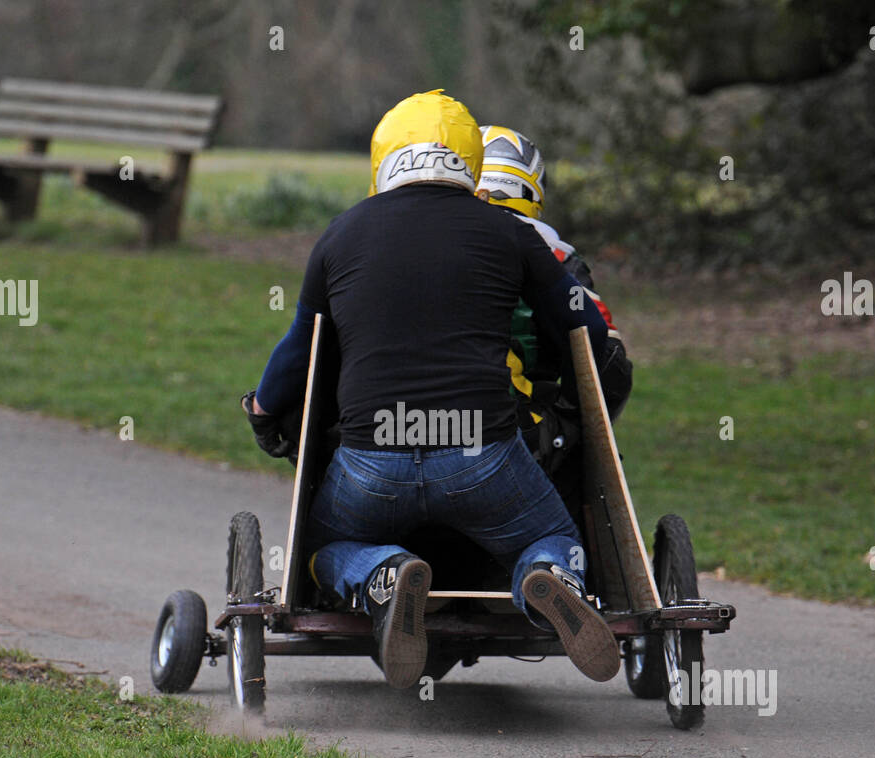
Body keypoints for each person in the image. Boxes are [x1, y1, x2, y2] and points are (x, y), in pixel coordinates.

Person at [242, 90, 621, 689]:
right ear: (471, 161)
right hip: (483, 457)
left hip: (372, 463)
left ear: (383, 154)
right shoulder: (507, 232)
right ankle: (548, 577)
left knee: (322, 544)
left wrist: (262, 408)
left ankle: (385, 575)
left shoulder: (340, 236)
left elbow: (299, 352)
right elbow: (587, 327)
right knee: (551, 533)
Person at [474, 125, 633, 477]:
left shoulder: (408, 241)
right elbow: (609, 365)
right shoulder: (558, 255)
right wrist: (569, 424)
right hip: (523, 434)